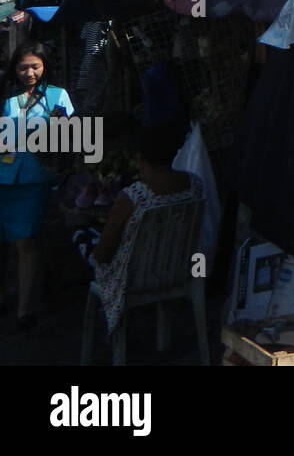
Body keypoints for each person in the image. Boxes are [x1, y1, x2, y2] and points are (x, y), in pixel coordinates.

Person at [85, 120, 203, 339]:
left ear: (141, 158)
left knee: (83, 239)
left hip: (134, 280)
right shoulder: (195, 185)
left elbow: (102, 255)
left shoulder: (133, 196)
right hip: (180, 271)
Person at [0, 43, 75, 327]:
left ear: (45, 65)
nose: (29, 72)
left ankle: (24, 309)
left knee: (27, 241)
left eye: (35, 66)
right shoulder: (6, 95)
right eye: (23, 67)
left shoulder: (58, 96)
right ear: (14, 68)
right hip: (3, 177)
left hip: (35, 178)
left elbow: (70, 134)